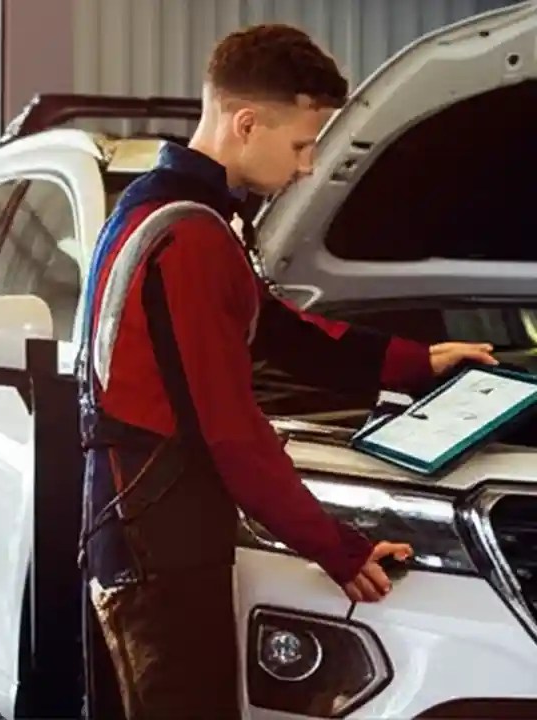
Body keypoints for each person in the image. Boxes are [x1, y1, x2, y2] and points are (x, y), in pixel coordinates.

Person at [76, 23, 498, 719]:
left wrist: (419, 360)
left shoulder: (178, 215)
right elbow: (231, 429)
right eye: (303, 145)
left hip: (152, 536)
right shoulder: (186, 236)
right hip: (161, 548)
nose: (307, 168)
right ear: (246, 123)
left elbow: (277, 331)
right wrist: (336, 548)